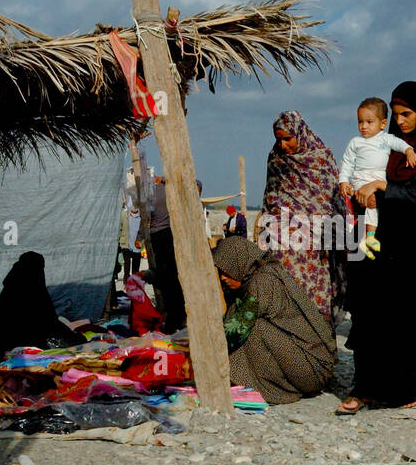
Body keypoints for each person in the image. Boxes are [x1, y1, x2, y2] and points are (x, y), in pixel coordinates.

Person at [337, 81, 416, 414]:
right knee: (368, 315)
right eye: (396, 115)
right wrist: (364, 191)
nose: (400, 121)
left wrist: (384, 188)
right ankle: (366, 386)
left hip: (411, 248)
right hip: (375, 243)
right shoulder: (383, 148)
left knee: (407, 320)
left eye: (407, 114)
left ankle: (408, 387)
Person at [213, 236, 336, 404]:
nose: (223, 278)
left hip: (312, 371)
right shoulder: (262, 275)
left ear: (239, 263)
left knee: (253, 327)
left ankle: (275, 390)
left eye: (227, 271)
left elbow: (236, 331)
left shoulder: (262, 282)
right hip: (310, 366)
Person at [259, 110, 345, 323]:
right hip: (283, 246)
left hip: (315, 247)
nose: (283, 145)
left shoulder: (322, 158)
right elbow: (270, 198)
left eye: (288, 138)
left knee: (316, 304)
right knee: (285, 304)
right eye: (278, 139)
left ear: (300, 133)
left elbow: (334, 202)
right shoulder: (276, 159)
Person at [338, 97, 416, 258]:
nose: (363, 126)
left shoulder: (386, 139)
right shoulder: (356, 142)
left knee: (373, 207)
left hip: (379, 177)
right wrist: (344, 181)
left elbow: (400, 145)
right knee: (365, 205)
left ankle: (369, 237)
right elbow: (347, 162)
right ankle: (364, 239)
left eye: (369, 122)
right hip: (360, 177)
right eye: (360, 122)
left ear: (382, 123)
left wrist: (409, 152)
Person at [0, 251, 86, 354]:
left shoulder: (10, 287)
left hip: (5, 339)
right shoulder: (36, 288)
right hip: (28, 337)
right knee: (74, 340)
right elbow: (48, 320)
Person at [145, 176, 202, 333]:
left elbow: (146, 218)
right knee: (174, 278)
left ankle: (173, 317)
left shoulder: (152, 193)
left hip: (160, 237)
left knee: (168, 279)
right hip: (173, 237)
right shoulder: (172, 190)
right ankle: (176, 317)